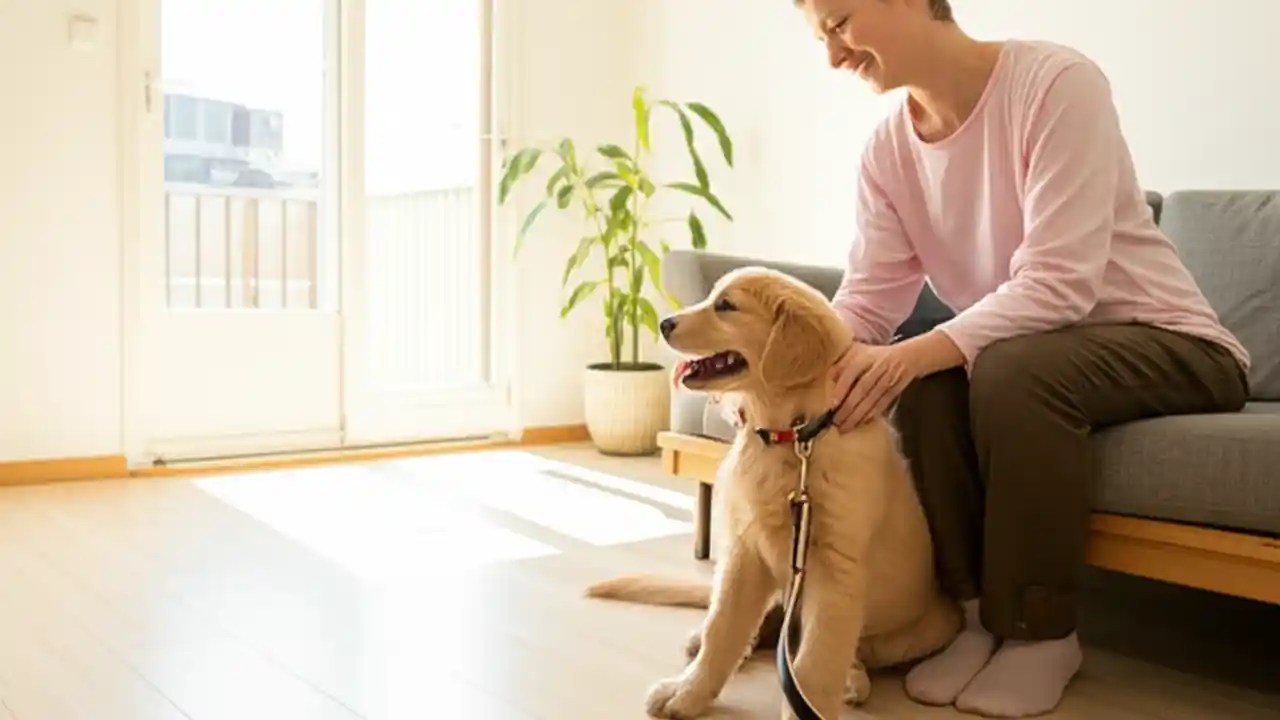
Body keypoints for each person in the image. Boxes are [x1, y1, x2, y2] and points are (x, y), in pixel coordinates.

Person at [795, 0, 1252, 717]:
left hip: (1174, 343)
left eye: (841, 22)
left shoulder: (1055, 84)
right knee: (928, 377)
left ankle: (1041, 633)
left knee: (997, 368)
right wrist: (800, 372)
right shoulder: (888, 150)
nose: (833, 55)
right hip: (1034, 351)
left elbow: (1062, 282)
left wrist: (910, 354)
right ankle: (975, 618)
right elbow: (868, 300)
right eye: (820, 36)